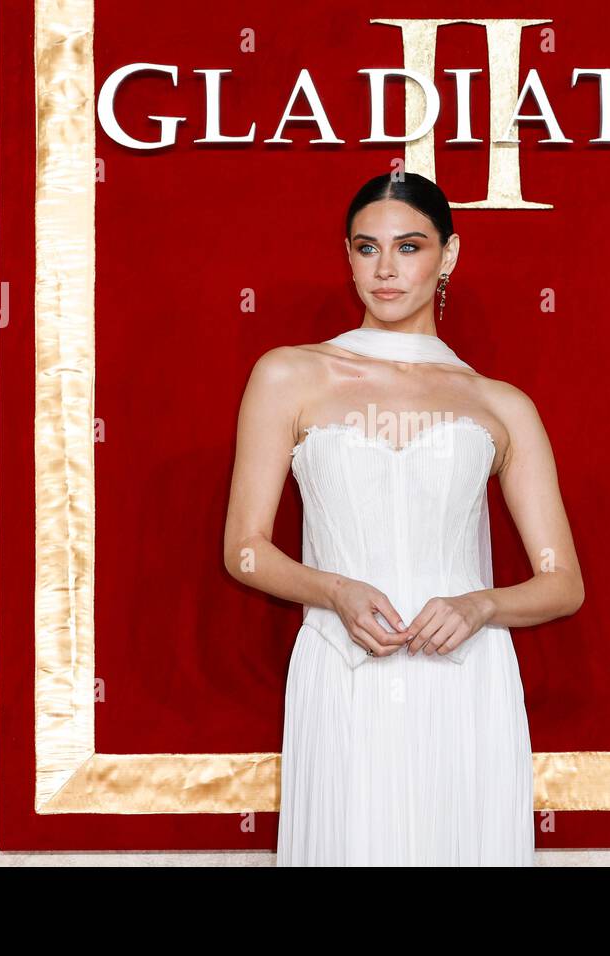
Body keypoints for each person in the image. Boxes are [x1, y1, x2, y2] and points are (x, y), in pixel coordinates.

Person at [222, 171, 584, 865]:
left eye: (409, 247)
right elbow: (243, 549)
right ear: (348, 254)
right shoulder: (289, 375)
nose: (386, 270)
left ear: (448, 254)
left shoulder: (501, 405)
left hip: (467, 678)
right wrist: (334, 591)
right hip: (341, 665)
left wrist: (480, 604)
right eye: (367, 248)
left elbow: (562, 582)